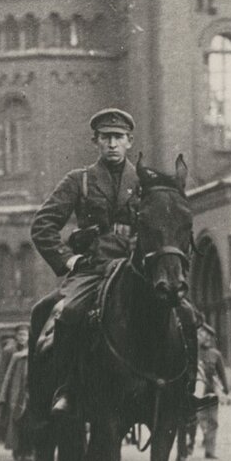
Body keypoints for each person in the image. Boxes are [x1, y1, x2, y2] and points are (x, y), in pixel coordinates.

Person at [30, 108, 214, 419]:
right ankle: (66, 389)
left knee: (186, 314)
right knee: (67, 312)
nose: (112, 144)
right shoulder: (79, 181)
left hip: (137, 269)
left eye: (118, 138)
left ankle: (187, 390)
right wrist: (68, 259)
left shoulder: (147, 183)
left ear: (130, 141)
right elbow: (42, 226)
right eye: (106, 138)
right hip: (94, 268)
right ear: (96, 142)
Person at [177, 324, 231, 461]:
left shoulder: (215, 354)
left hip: (210, 391)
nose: (206, 338)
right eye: (203, 335)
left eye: (209, 336)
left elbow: (221, 373)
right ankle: (187, 448)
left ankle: (210, 450)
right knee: (192, 421)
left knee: (213, 421)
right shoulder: (189, 351)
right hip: (193, 392)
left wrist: (226, 389)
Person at [0, 324, 32, 461]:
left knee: (28, 420)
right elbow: (3, 372)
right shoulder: (9, 351)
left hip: (29, 390)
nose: (22, 338)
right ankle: (17, 450)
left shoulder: (34, 349)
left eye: (25, 335)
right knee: (15, 419)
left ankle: (28, 450)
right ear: (16, 337)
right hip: (14, 390)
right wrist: (2, 392)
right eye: (20, 335)